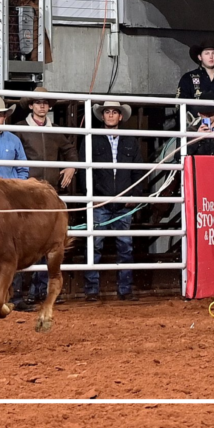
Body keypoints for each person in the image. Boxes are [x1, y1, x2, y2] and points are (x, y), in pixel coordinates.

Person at [14, 86, 78, 308]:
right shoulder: (20, 129)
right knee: (26, 242)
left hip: (48, 193)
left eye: (45, 103)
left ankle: (39, 291)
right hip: (28, 194)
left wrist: (71, 167)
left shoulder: (55, 130)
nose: (42, 106)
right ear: (31, 105)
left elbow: (70, 150)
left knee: (47, 242)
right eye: (38, 102)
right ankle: (25, 293)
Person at [81, 101, 142, 301]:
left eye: (114, 112)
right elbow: (83, 171)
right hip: (100, 201)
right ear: (103, 115)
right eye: (107, 112)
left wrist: (134, 195)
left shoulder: (130, 141)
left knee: (125, 246)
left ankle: (124, 289)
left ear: (120, 116)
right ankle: (92, 290)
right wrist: (90, 195)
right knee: (95, 245)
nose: (110, 115)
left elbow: (138, 171)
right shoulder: (91, 139)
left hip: (123, 203)